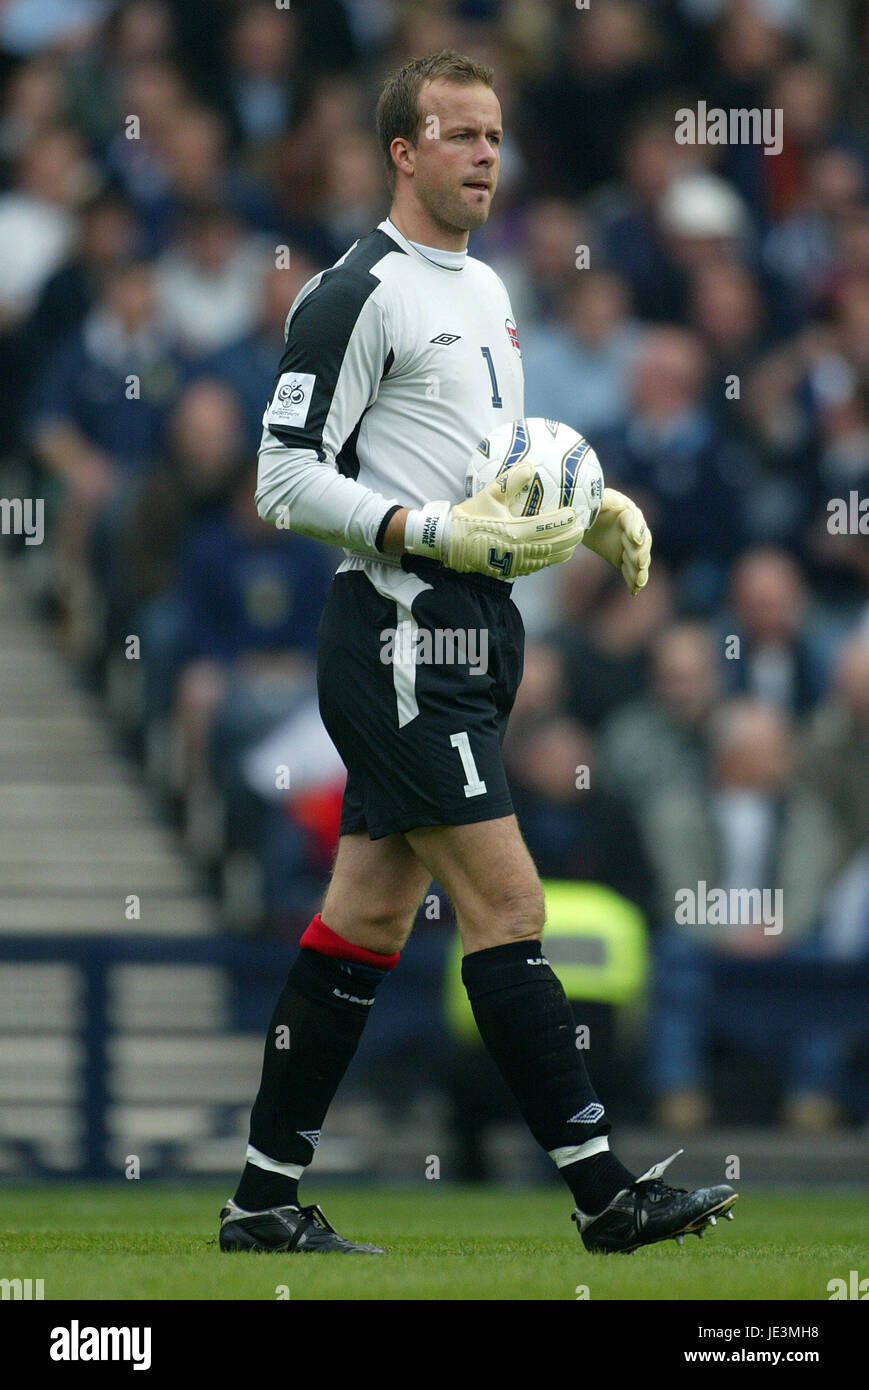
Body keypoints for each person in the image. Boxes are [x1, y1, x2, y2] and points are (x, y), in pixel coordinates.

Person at [219, 49, 734, 1257]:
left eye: (494, 135)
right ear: (403, 151)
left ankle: (260, 1199)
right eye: (458, 135)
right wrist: (427, 528)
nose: (485, 155)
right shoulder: (357, 292)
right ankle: (603, 1193)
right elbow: (282, 478)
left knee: (366, 920)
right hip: (400, 627)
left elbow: (491, 455)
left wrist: (587, 504)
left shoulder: (488, 288)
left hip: (472, 633)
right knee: (507, 902)